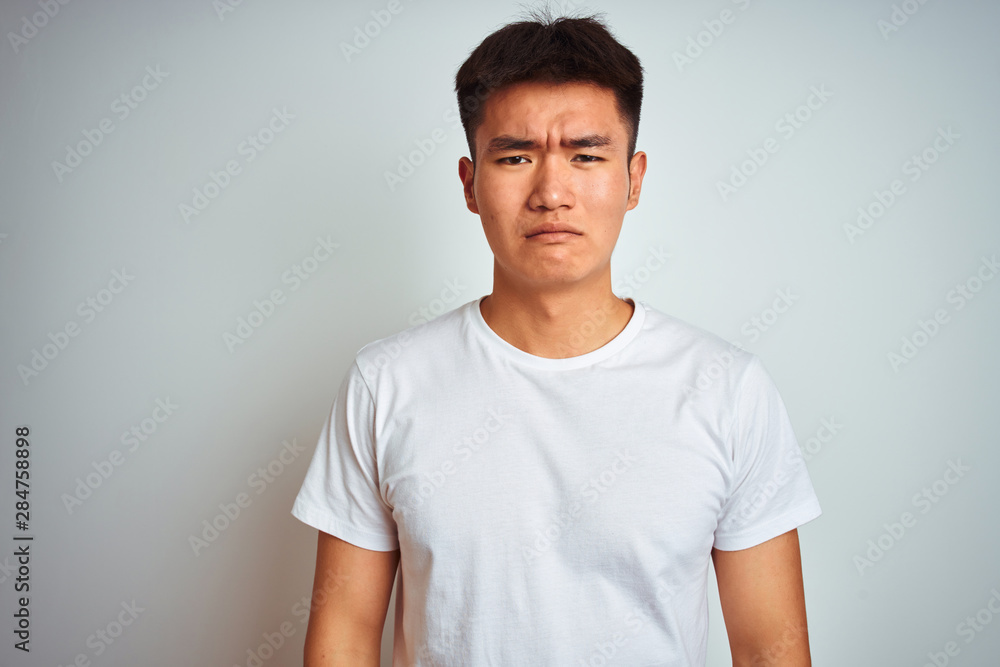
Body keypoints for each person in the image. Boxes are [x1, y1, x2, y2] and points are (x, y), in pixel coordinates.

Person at [291, 10, 822, 666]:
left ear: (633, 179)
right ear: (469, 183)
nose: (551, 191)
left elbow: (771, 650)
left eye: (586, 155)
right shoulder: (386, 383)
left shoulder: (727, 389)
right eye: (516, 156)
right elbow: (343, 632)